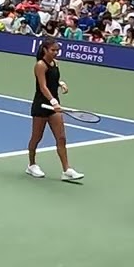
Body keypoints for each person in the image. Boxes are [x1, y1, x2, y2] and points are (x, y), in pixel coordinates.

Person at [27, 38, 84, 181]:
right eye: (53, 50)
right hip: (41, 105)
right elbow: (43, 86)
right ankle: (31, 165)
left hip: (54, 107)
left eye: (57, 50)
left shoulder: (55, 63)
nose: (56, 53)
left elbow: (52, 79)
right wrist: (52, 101)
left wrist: (60, 83)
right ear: (45, 50)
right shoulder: (40, 65)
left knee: (61, 138)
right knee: (36, 137)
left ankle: (67, 170)